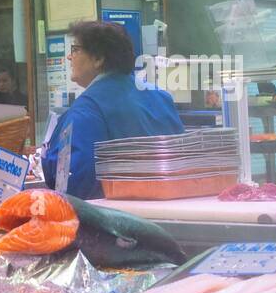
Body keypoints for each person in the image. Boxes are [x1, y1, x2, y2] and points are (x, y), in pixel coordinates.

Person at [42, 20, 184, 199]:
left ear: (98, 59)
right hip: (168, 213)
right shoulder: (161, 97)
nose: (69, 57)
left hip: (116, 219)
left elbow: (72, 181)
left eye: (75, 50)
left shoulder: (87, 108)